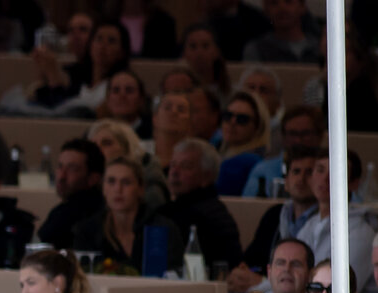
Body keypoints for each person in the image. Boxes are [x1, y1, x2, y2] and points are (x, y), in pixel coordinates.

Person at [298, 151, 378, 293]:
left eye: (336, 171)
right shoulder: (310, 224)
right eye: (320, 170)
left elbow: (337, 292)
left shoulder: (361, 233)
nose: (326, 178)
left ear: (354, 184)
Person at [74, 156, 180, 274]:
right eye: (111, 181)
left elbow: (175, 273)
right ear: (103, 188)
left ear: (140, 189)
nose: (118, 189)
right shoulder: (88, 231)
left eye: (126, 182)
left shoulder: (162, 227)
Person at [240, 143, 322, 282]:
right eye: (296, 171)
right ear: (286, 182)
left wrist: (261, 282)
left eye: (309, 172)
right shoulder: (274, 215)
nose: (301, 179)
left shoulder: (327, 220)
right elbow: (251, 261)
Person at [160, 139, 243, 271]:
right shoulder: (212, 206)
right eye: (173, 165)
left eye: (185, 166)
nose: (174, 172)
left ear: (206, 177)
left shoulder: (193, 215)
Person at [25, 19, 127, 113]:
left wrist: (53, 74)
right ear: (90, 45)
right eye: (99, 39)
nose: (103, 46)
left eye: (111, 41)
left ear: (122, 51)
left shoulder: (120, 84)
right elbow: (52, 107)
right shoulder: (75, 76)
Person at [38, 138, 107, 249]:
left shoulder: (95, 216)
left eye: (72, 169)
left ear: (94, 178)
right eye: (60, 167)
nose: (62, 176)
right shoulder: (61, 211)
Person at [243, 103, 323, 197]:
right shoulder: (263, 170)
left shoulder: (331, 170)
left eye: (305, 133)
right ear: (283, 136)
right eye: (292, 134)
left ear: (320, 135)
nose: (298, 140)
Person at [241, 0, 320, 64]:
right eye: (274, 3)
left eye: (288, 1)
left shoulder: (320, 49)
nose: (282, 8)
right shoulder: (256, 50)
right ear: (266, 9)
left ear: (302, 6)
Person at [215, 91, 272, 195]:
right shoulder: (215, 148)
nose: (232, 122)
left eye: (242, 119)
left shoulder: (246, 162)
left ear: (257, 126)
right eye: (228, 115)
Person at [178, 23, 231, 97]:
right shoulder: (177, 92)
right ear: (184, 53)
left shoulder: (231, 94)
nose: (199, 53)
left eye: (205, 46)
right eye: (193, 46)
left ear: (217, 51)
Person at [97, 70, 153, 138]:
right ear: (107, 99)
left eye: (129, 90)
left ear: (141, 99)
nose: (122, 96)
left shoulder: (154, 132)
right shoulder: (96, 131)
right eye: (116, 90)